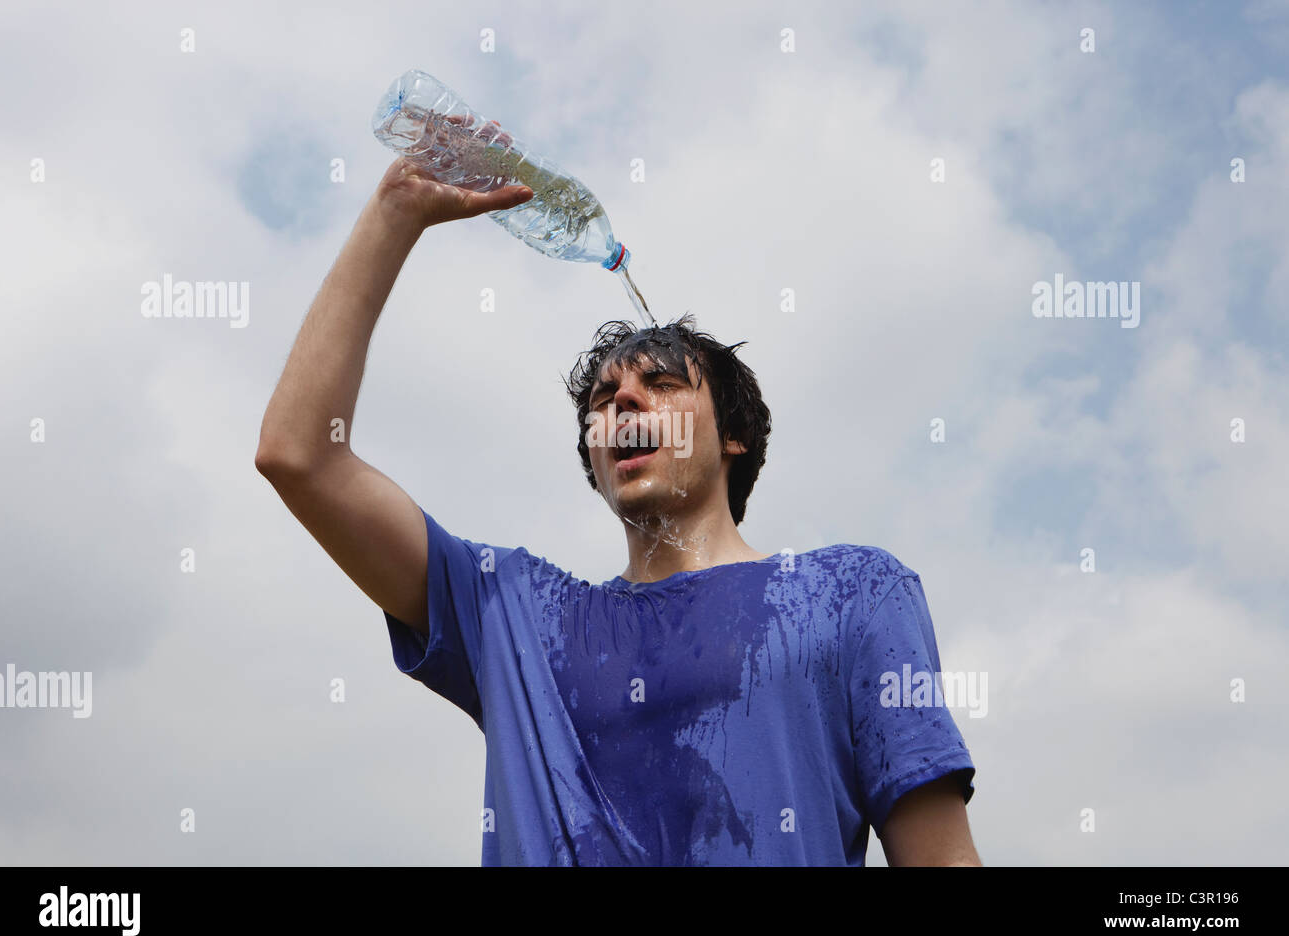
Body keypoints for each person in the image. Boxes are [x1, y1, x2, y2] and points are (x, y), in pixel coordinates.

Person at [255, 157, 981, 866]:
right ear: (596, 461)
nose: (623, 401)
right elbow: (299, 456)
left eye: (661, 384)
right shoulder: (513, 614)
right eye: (603, 401)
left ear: (734, 436)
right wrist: (395, 214)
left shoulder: (854, 594)